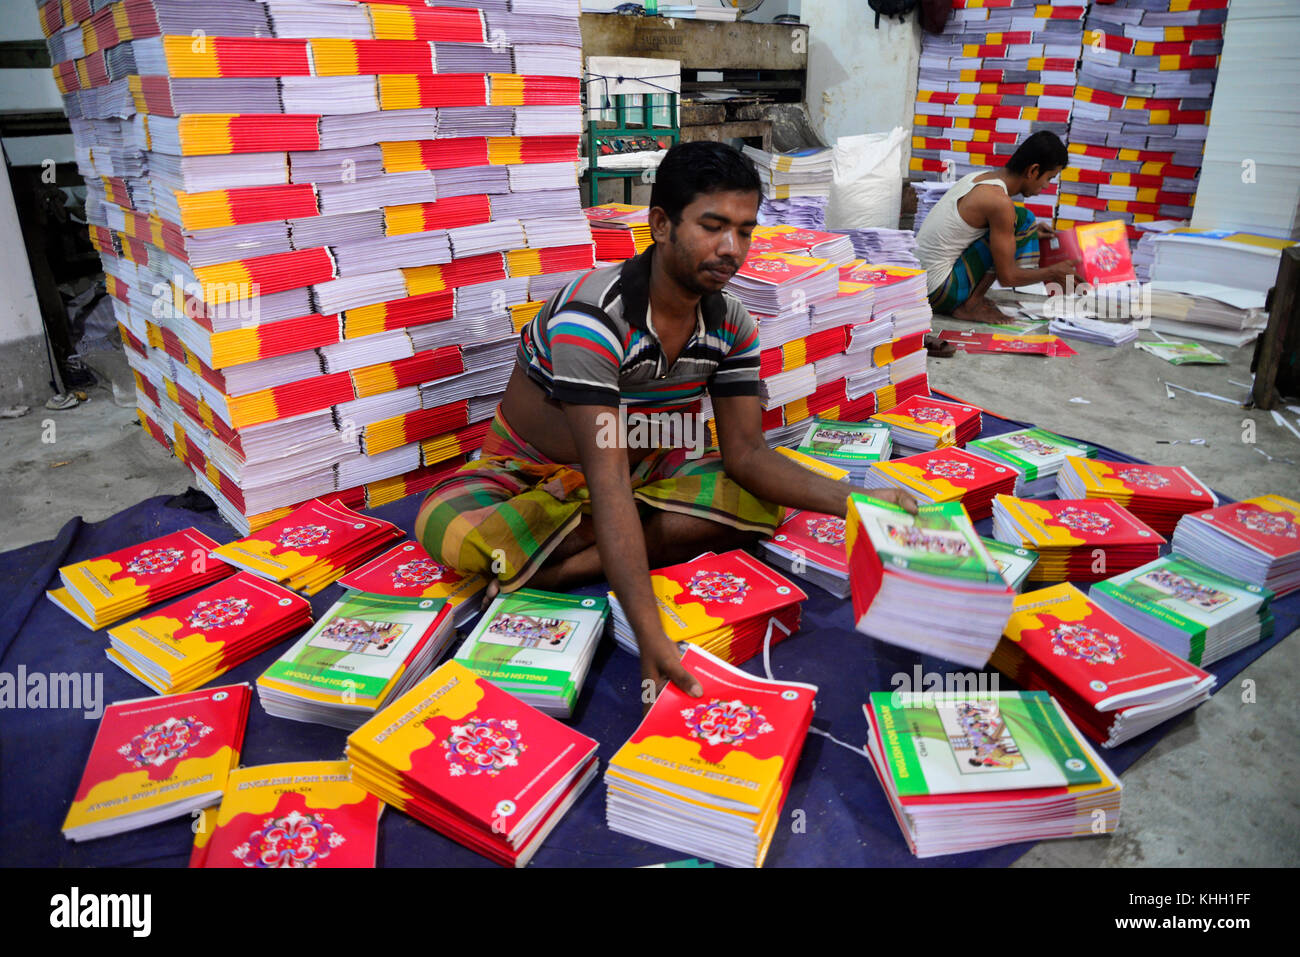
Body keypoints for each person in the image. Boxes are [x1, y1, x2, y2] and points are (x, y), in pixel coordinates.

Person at [415, 141, 917, 705]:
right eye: (713, 226)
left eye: (745, 231)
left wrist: (856, 501)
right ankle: (581, 542)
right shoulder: (594, 316)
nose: (732, 249)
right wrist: (650, 631)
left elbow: (748, 454)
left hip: (644, 460)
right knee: (451, 527)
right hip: (529, 472)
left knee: (761, 497)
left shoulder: (733, 324)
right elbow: (604, 480)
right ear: (660, 224)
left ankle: (553, 568)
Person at [915, 130, 1078, 325]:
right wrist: (1053, 272)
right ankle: (970, 305)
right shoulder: (1000, 203)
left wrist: (1030, 233)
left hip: (918, 285)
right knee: (1024, 219)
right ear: (1033, 170)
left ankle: (970, 299)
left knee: (1022, 223)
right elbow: (1007, 277)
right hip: (939, 292)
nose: (1046, 186)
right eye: (1049, 178)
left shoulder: (979, 178)